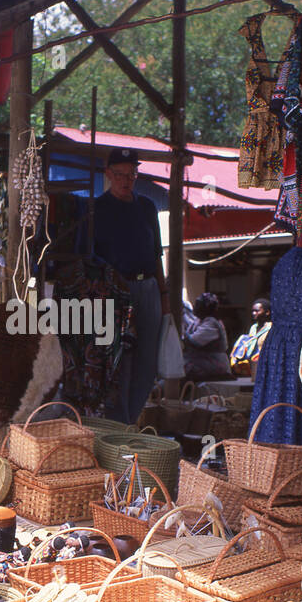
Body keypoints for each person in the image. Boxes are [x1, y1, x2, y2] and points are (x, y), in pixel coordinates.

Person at [91, 146, 166, 423]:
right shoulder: (97, 209)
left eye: (132, 174)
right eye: (120, 174)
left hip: (147, 288)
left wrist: (165, 297)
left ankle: (130, 422)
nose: (126, 180)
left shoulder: (147, 207)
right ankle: (117, 425)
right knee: (119, 362)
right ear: (109, 174)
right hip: (113, 293)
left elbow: (157, 254)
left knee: (147, 363)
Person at [181, 292, 232, 383]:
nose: (194, 307)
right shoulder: (199, 320)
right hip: (202, 361)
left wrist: (181, 335)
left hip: (214, 363)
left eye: (197, 305)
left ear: (205, 308)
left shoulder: (212, 323)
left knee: (182, 367)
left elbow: (193, 341)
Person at [229, 297, 271, 378]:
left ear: (267, 312)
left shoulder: (271, 328)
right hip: (250, 365)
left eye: (257, 311)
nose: (254, 313)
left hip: (264, 365)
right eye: (253, 311)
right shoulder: (253, 328)